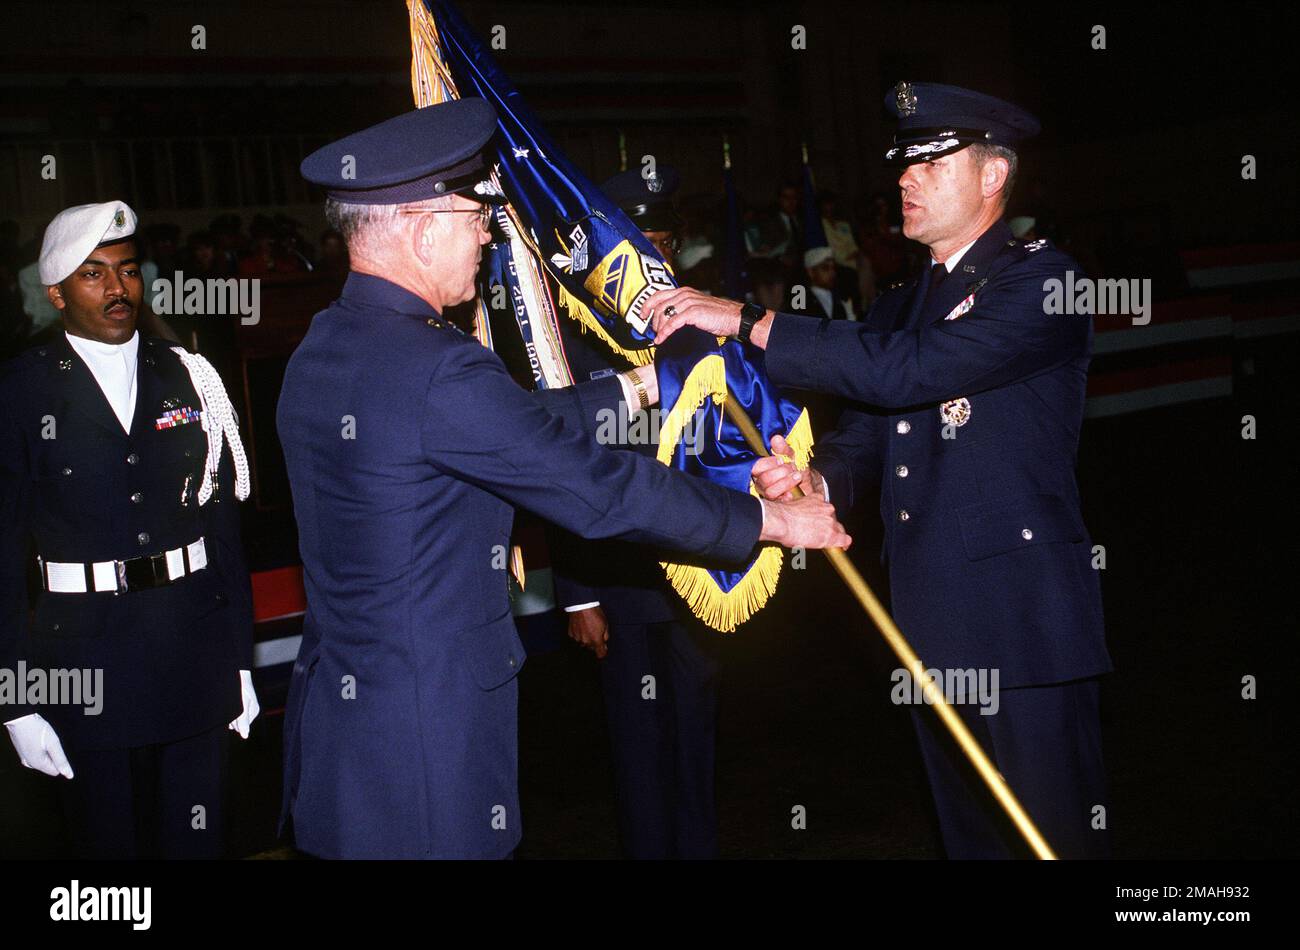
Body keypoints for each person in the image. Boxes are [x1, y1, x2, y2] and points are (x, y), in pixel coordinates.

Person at [277, 99, 849, 860]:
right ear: (421, 230)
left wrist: (641, 389)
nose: (487, 233)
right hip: (428, 743)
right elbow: (603, 489)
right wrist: (774, 523)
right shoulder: (438, 369)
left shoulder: (327, 345)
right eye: (476, 216)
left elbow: (504, 427)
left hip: (349, 728)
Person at [649, 82, 1111, 859]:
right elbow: (870, 432)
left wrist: (747, 319)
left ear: (993, 176)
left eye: (931, 162)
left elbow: (912, 372)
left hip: (1021, 621)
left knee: (1051, 836)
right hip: (929, 619)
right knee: (971, 836)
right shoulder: (902, 303)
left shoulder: (1041, 282)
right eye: (903, 162)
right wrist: (818, 484)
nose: (905, 178)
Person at [0, 200, 259, 858]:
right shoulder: (22, 391)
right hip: (84, 662)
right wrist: (17, 700)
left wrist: (239, 659)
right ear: (56, 292)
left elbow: (221, 522)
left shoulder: (188, 374)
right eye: (94, 275)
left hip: (192, 648)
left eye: (127, 270)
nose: (118, 289)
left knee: (201, 840)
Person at [550, 165, 726, 859]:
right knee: (636, 743)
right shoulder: (576, 339)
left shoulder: (705, 324)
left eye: (660, 242)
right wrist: (576, 596)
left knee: (698, 734)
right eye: (637, 244)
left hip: (700, 570)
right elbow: (557, 469)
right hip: (615, 575)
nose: (651, 257)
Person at [788, 246, 855, 320]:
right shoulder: (800, 297)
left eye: (833, 268)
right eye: (825, 268)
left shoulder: (841, 297)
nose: (832, 273)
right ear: (811, 272)